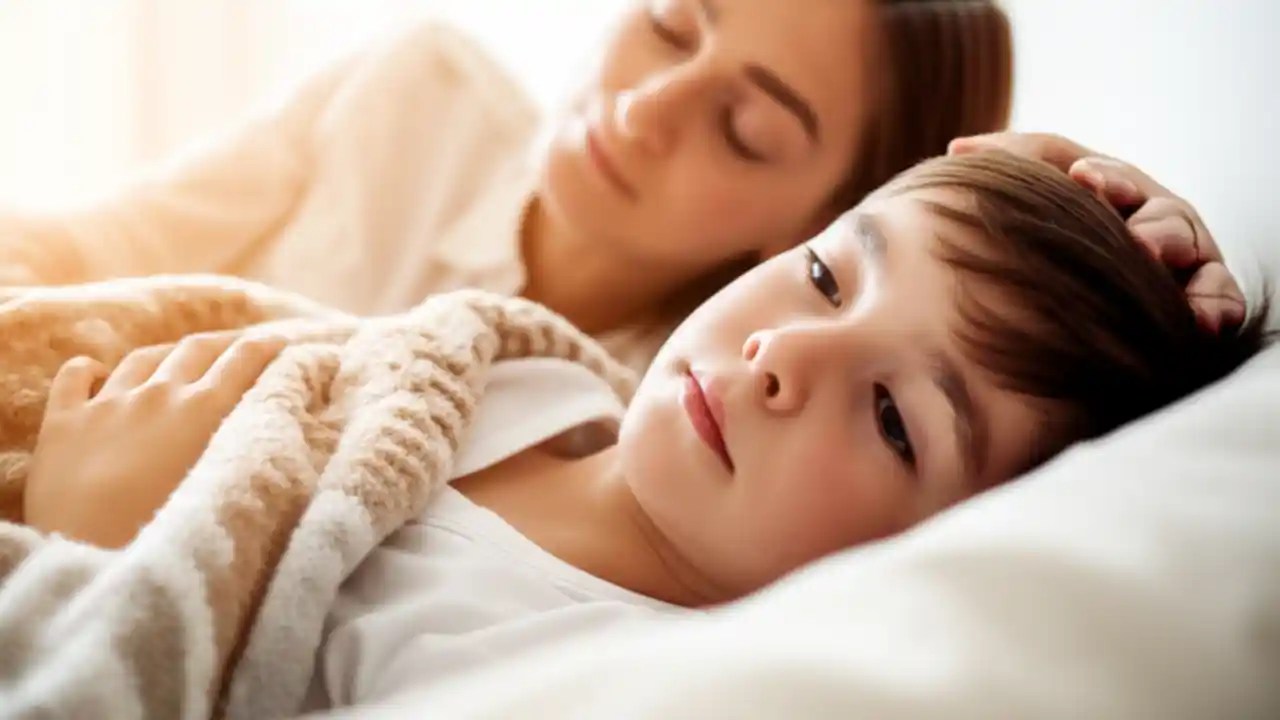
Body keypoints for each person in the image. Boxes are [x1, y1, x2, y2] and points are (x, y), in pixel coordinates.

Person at [22, 149, 1271, 709]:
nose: (788, 353)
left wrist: (102, 553)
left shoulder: (563, 673)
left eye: (893, 418)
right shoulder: (538, 387)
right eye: (831, 276)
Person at [0, 0, 1013, 372]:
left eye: (743, 130)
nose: (645, 108)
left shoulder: (673, 422)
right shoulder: (418, 88)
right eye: (669, 22)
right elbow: (96, 246)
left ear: (818, 228)